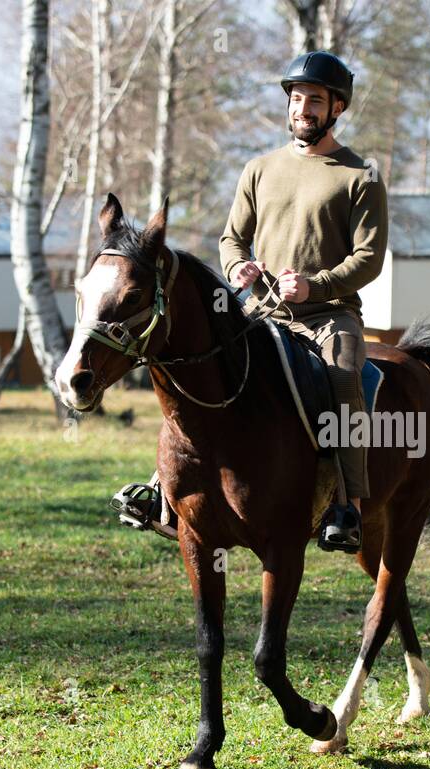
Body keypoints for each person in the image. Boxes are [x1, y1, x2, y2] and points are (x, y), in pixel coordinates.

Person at [116, 50, 388, 553]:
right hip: (260, 313)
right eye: (297, 98)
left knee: (345, 377)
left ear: (337, 108)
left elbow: (370, 259)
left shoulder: (360, 176)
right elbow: (231, 239)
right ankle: (164, 491)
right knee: (192, 370)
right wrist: (238, 266)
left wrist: (316, 286)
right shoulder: (259, 169)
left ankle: (345, 506)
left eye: (315, 100)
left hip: (330, 317)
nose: (302, 108)